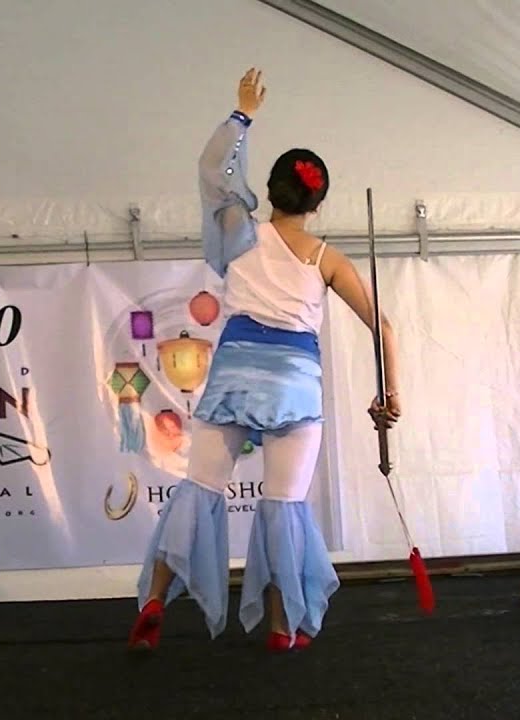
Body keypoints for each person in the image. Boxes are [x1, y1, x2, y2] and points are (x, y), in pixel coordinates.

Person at [127, 68, 402, 653]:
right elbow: (382, 326)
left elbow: (212, 171)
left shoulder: (239, 231)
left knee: (200, 488)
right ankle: (281, 627)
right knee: (283, 506)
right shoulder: (327, 258)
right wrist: (389, 393)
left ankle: (155, 596)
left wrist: (242, 115)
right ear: (318, 201)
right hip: (292, 384)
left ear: (270, 192)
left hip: (232, 374)